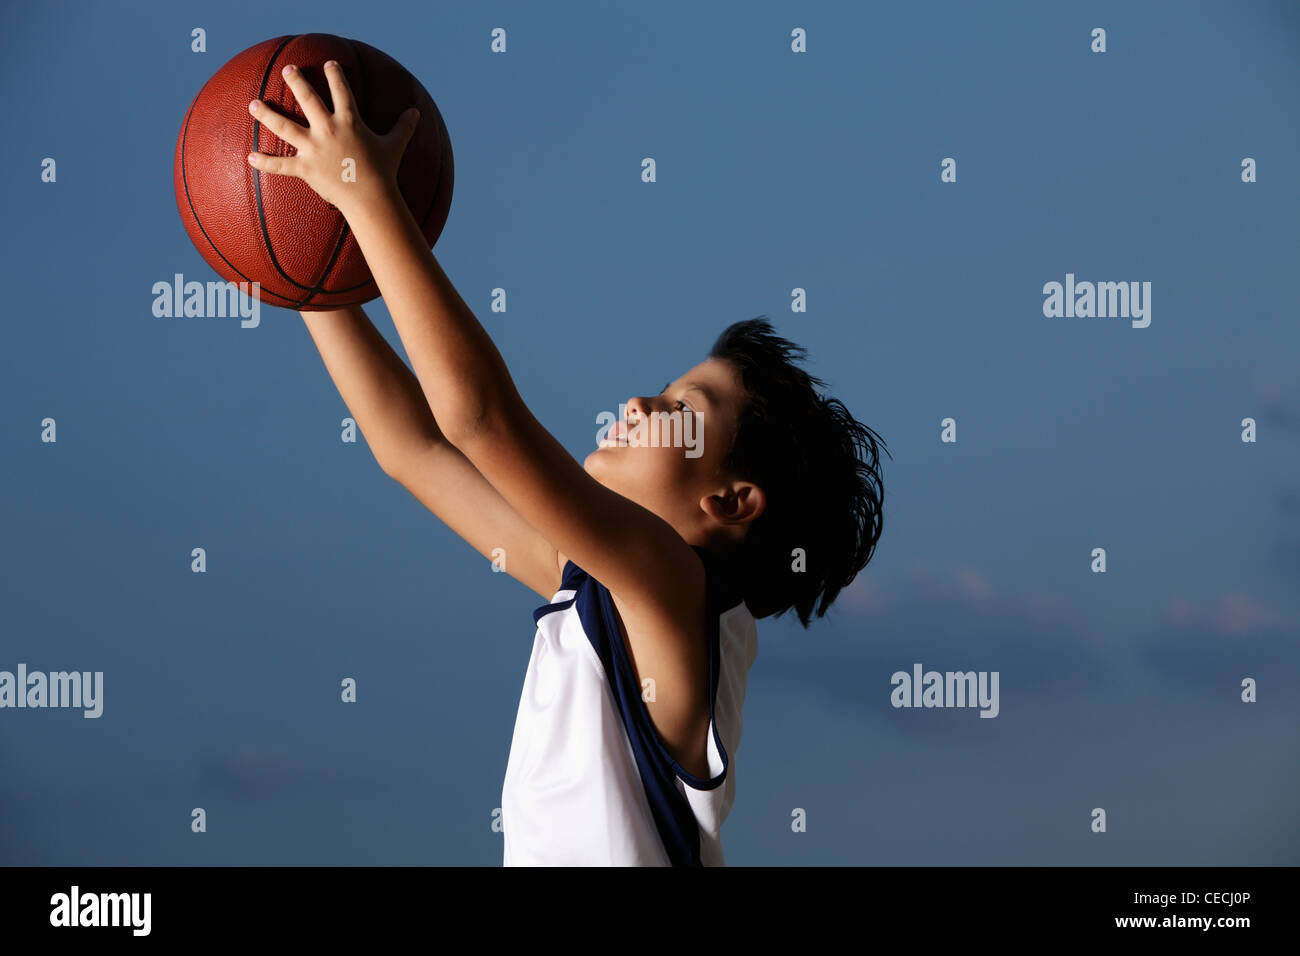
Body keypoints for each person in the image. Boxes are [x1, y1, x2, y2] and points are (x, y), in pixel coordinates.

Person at [246, 60, 887, 865]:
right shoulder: (603, 590)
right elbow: (412, 447)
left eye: (683, 411)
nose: (639, 406)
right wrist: (306, 271)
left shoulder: (674, 592)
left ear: (731, 500)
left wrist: (368, 198)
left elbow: (479, 420)